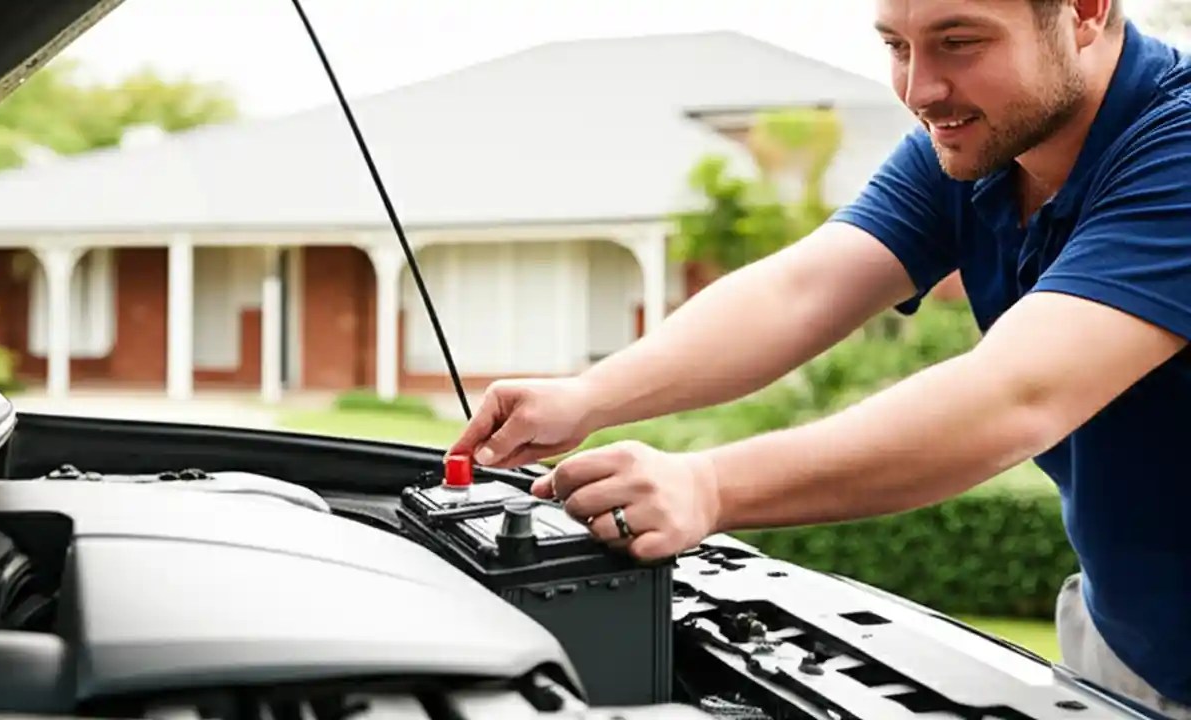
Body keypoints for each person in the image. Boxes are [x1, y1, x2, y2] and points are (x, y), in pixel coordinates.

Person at [450, 0, 1191, 715]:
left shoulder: (1176, 149)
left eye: (959, 42)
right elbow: (802, 291)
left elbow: (1014, 398)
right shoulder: (984, 139)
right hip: (1123, 644)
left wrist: (707, 486)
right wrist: (588, 396)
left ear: (1085, 10)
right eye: (897, 45)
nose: (918, 89)